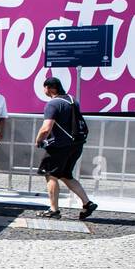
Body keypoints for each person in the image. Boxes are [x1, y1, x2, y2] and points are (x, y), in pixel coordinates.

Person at [35, 76, 97, 220]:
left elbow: (46, 128)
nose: (44, 90)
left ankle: (54, 210)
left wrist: (39, 140)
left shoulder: (53, 104)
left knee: (50, 174)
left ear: (49, 88)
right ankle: (87, 203)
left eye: (44, 87)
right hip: (76, 144)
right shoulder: (72, 100)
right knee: (65, 174)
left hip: (59, 146)